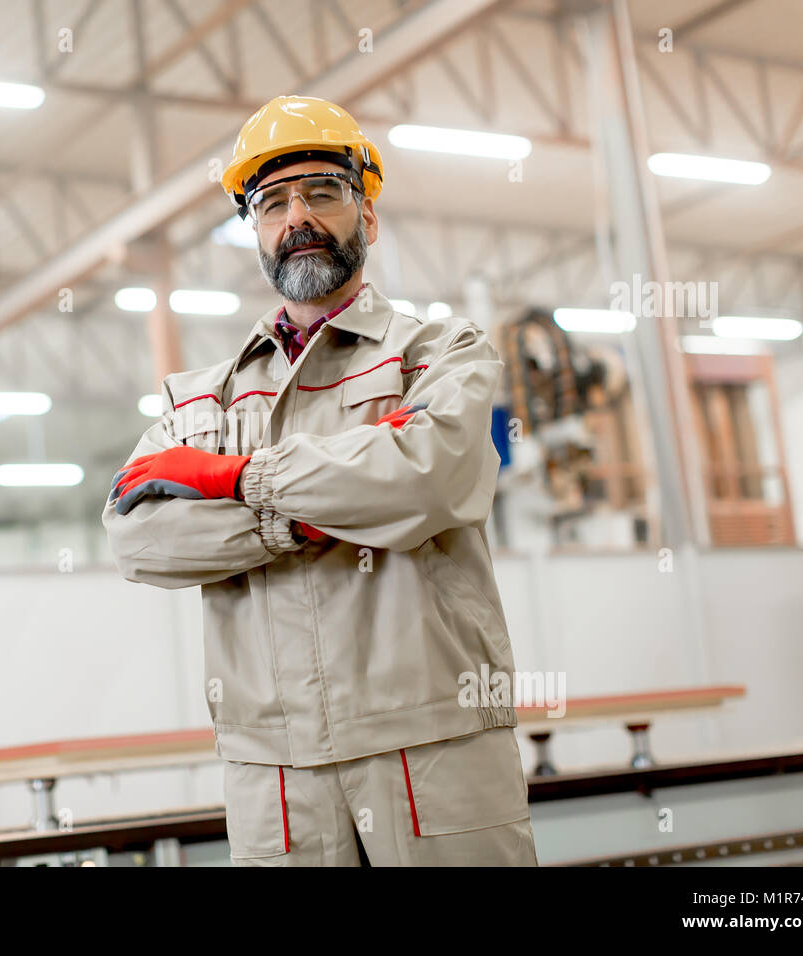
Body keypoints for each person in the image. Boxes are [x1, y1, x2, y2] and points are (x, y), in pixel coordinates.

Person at [102, 95, 538, 866]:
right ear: (255, 230)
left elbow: (426, 479)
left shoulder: (439, 352)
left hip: (435, 743)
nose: (296, 215)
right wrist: (308, 516)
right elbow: (139, 538)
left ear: (367, 215)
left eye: (322, 192)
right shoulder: (198, 398)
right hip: (271, 768)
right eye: (272, 201)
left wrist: (231, 478)